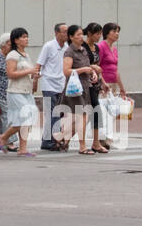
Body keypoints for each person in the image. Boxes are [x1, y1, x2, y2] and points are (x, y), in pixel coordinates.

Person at [0, 28, 39, 157]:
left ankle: (23, 148)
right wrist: (29, 71)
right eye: (23, 37)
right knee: (24, 118)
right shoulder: (12, 55)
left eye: (27, 36)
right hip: (15, 91)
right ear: (16, 40)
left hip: (26, 91)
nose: (26, 39)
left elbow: (28, 73)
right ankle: (3, 137)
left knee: (29, 118)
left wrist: (35, 76)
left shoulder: (26, 55)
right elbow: (10, 74)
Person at [62, 24, 101, 154]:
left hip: (85, 86)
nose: (80, 37)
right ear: (71, 37)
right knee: (82, 116)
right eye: (77, 35)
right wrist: (83, 70)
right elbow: (66, 71)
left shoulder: (83, 50)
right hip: (75, 89)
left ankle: (62, 138)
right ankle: (82, 146)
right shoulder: (69, 52)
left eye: (81, 34)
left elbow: (87, 66)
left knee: (80, 116)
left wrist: (92, 72)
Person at [36, 23, 69, 151]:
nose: (66, 34)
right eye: (64, 31)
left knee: (59, 114)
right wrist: (35, 82)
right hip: (48, 84)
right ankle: (51, 142)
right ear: (56, 33)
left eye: (67, 32)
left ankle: (48, 140)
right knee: (52, 114)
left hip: (61, 85)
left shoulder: (67, 47)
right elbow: (39, 64)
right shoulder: (49, 46)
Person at [98, 22, 126, 143]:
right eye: (114, 31)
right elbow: (96, 67)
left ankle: (108, 136)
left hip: (113, 85)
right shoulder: (101, 46)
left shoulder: (114, 49)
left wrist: (122, 87)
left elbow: (116, 70)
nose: (117, 34)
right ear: (106, 33)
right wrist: (103, 83)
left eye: (118, 31)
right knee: (104, 112)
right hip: (104, 85)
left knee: (113, 112)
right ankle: (103, 137)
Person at [83, 23, 108, 153]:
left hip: (94, 84)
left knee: (95, 111)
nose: (99, 36)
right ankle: (65, 138)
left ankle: (96, 142)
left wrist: (103, 82)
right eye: (97, 34)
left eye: (100, 34)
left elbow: (97, 67)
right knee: (85, 113)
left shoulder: (96, 48)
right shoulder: (83, 47)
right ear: (89, 34)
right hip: (84, 84)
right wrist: (93, 67)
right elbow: (83, 63)